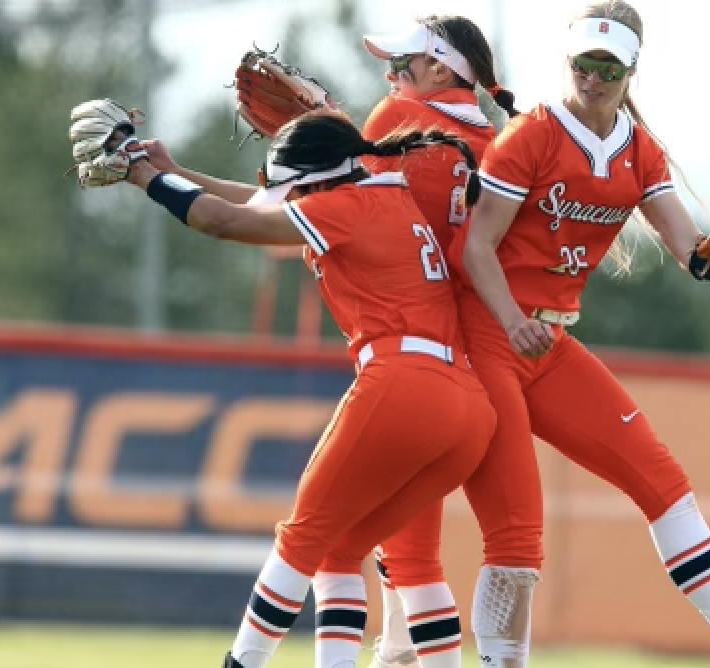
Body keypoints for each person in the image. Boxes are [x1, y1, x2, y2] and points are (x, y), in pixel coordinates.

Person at [375, 3, 710, 668]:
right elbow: (475, 249)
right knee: (517, 538)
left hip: (548, 346)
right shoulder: (533, 137)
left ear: (630, 69)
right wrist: (512, 320)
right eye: (582, 64)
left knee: (662, 481)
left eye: (607, 66)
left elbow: (690, 251)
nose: (592, 78)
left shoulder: (639, 150)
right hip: (489, 339)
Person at [95, 109, 498, 668]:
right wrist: (174, 170)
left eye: (297, 188)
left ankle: (243, 661)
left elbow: (227, 222)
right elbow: (259, 204)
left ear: (323, 181)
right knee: (342, 550)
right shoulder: (379, 193)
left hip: (404, 382)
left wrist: (146, 179)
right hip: (467, 409)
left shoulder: (347, 206)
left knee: (300, 541)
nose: (289, 198)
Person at [308, 16, 523, 668]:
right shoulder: (500, 143)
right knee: (437, 551)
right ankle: (402, 648)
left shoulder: (398, 114)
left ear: (439, 71)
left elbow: (324, 193)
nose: (391, 73)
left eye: (403, 62)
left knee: (341, 548)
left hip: (405, 356)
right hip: (478, 361)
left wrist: (309, 130)